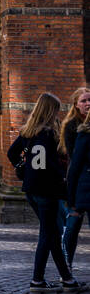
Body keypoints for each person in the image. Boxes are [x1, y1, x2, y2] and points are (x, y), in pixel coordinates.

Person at [9, 92, 78, 289]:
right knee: (47, 235)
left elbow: (12, 153)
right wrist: (63, 178)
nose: (57, 113)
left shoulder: (27, 132)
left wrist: (24, 168)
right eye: (56, 109)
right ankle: (37, 279)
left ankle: (66, 278)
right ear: (50, 111)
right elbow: (52, 163)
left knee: (52, 234)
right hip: (47, 190)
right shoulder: (49, 134)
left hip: (31, 189)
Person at [60, 86, 90, 265]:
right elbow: (74, 159)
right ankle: (66, 265)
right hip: (79, 182)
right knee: (72, 227)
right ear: (76, 104)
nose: (88, 104)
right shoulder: (72, 126)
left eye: (89, 100)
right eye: (84, 101)